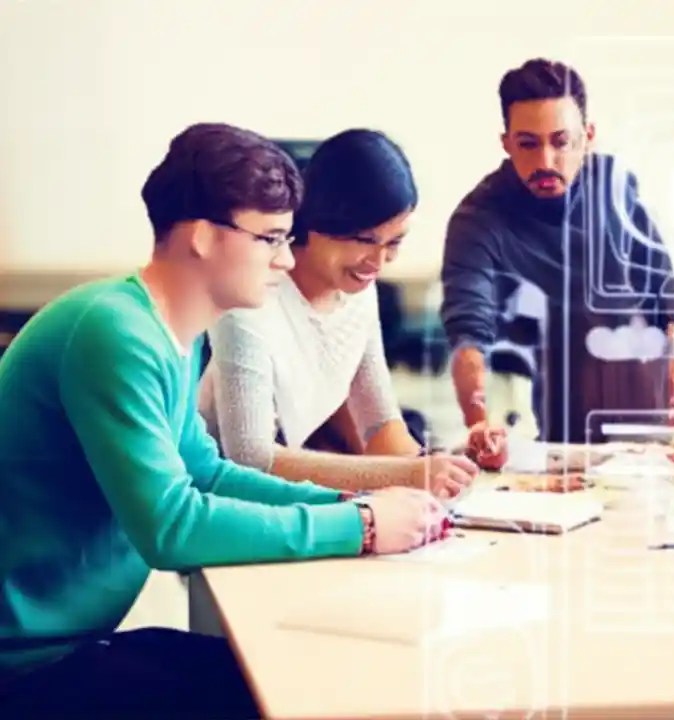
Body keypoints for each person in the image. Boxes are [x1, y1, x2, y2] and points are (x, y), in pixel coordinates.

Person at [0, 123, 447, 718]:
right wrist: (362, 526)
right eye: (270, 238)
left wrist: (342, 502)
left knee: (296, 670)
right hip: (27, 666)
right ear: (204, 237)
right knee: (284, 693)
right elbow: (171, 529)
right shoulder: (113, 333)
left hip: (64, 647)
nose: (287, 260)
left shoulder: (166, 335)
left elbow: (206, 473)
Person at [199, 128, 489, 490]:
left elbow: (380, 424)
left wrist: (448, 468)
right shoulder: (251, 298)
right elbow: (252, 458)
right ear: (318, 220)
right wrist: (409, 475)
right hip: (221, 501)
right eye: (364, 240)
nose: (379, 261)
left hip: (286, 501)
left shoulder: (357, 291)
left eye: (394, 242)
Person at [441, 58, 674, 446]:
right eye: (528, 143)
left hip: (656, 420)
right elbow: (469, 339)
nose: (546, 161)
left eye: (561, 141)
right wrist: (481, 424)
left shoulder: (613, 187)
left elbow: (660, 280)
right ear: (506, 142)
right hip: (566, 431)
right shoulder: (478, 219)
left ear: (588, 136)